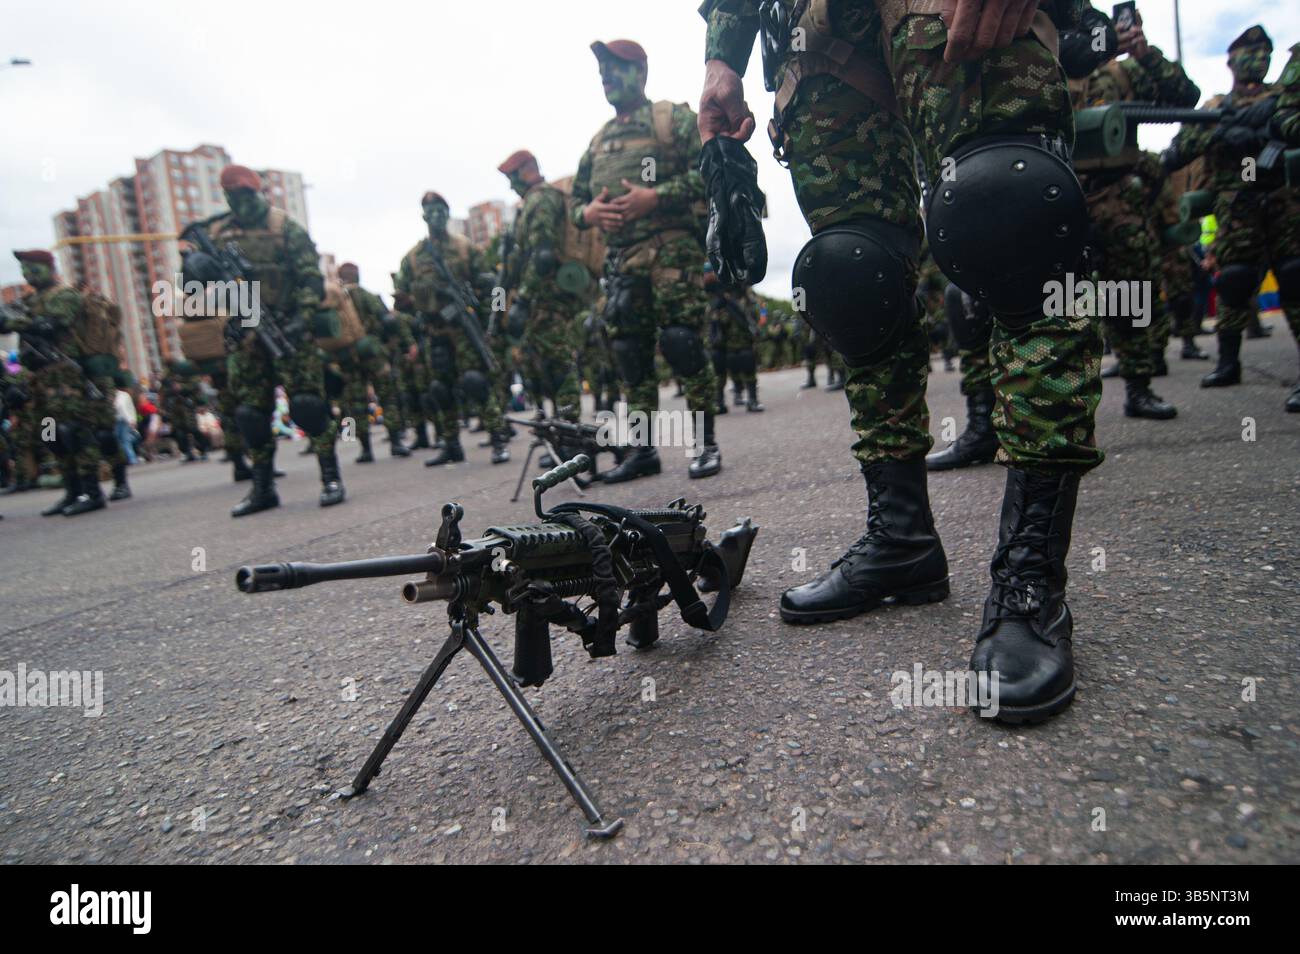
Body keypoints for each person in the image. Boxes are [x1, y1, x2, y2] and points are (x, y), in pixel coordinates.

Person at [698, 0, 1106, 723]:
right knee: (853, 275)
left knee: (1010, 207)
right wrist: (722, 54)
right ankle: (902, 541)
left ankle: (1029, 579)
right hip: (813, 34)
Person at [571, 38, 722, 482]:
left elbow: (712, 169)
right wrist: (589, 213)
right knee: (629, 354)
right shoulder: (599, 141)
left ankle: (705, 442)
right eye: (602, 73)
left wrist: (655, 196)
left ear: (641, 72)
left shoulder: (669, 120)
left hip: (671, 251)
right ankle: (644, 451)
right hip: (622, 262)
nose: (607, 79)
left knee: (682, 342)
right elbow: (576, 202)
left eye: (616, 69)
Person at [184, 164, 345, 515]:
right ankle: (262, 487)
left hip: (287, 327)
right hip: (244, 333)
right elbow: (193, 286)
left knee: (308, 406)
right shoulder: (215, 232)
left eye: (247, 195)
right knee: (250, 414)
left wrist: (301, 319)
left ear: (259, 193)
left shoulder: (283, 226)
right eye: (234, 196)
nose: (242, 203)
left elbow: (309, 277)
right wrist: (194, 264)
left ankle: (330, 477)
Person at [1068, 7, 1195, 419]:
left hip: (1116, 196)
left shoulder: (1121, 74)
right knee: (1063, 302)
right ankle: (1061, 403)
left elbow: (1184, 98)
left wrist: (1145, 54)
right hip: (1060, 196)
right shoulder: (1045, 70)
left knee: (1130, 293)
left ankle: (1139, 386)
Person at [1166, 26, 1300, 411]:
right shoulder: (1216, 107)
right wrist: (1222, 131)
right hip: (1236, 205)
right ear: (1231, 60)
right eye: (1249, 52)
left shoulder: (1284, 98)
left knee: (1294, 275)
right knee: (1235, 280)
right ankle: (1228, 363)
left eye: (1264, 52)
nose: (1257, 59)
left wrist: (1270, 124)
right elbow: (1179, 150)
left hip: (1284, 200)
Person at [395, 192, 510, 466]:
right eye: (430, 211)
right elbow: (401, 296)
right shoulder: (413, 257)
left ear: (447, 214)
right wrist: (415, 308)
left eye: (440, 210)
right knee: (439, 388)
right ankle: (451, 445)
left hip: (463, 329)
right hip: (434, 332)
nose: (435, 215)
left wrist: (492, 321)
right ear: (423, 216)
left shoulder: (464, 248)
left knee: (475, 382)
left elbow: (493, 287)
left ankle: (498, 439)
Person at [0, 249, 118, 515]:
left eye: (33, 268)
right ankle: (72, 490)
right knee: (50, 434)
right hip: (39, 376)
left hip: (65, 372)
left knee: (74, 430)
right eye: (24, 270)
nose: (28, 274)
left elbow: (50, 324)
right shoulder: (30, 300)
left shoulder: (65, 295)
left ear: (49, 267)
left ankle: (92, 491)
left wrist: (13, 320)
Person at [498, 150, 584, 423]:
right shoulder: (530, 204)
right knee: (545, 366)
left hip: (550, 297)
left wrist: (522, 301)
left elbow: (543, 256)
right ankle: (563, 430)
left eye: (513, 178)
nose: (511, 185)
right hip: (542, 297)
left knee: (558, 365)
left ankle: (572, 432)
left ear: (526, 172)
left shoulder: (542, 199)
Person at [336, 262, 410, 462]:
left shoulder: (336, 300)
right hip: (374, 354)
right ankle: (396, 443)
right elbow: (387, 322)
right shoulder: (368, 296)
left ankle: (366, 449)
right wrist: (391, 346)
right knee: (387, 396)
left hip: (349, 357)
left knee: (356, 403)